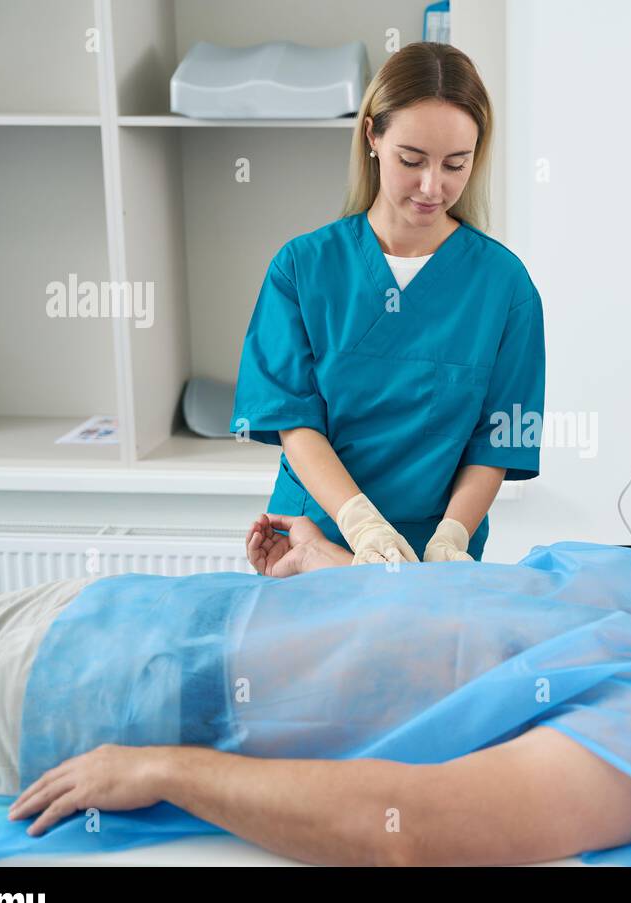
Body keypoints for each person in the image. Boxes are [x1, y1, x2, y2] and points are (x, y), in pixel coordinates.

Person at [0, 519, 631, 866]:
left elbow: (409, 830)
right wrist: (330, 565)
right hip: (114, 608)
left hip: (84, 707)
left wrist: (162, 766)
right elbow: (455, 609)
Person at [230, 41, 545, 566]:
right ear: (373, 135)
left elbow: (498, 439)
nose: (432, 186)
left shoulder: (504, 286)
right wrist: (360, 524)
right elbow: (293, 420)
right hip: (314, 537)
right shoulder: (303, 268)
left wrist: (451, 538)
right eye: (412, 160)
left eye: (455, 165)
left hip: (436, 549)